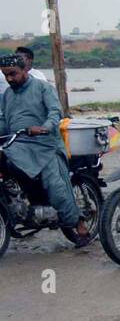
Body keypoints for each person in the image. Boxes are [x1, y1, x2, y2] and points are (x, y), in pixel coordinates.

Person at [0, 54, 92, 246]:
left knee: (56, 189)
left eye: (13, 74)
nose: (9, 79)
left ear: (25, 70)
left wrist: (45, 127)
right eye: (5, 75)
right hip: (17, 144)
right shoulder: (7, 95)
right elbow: (3, 121)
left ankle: (79, 223)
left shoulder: (43, 88)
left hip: (45, 145)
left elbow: (55, 112)